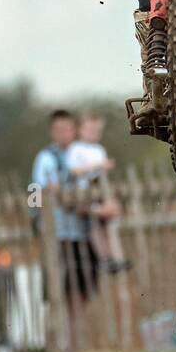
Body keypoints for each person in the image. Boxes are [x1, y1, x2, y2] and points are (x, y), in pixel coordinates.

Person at [31, 111, 96, 352]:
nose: (63, 134)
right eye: (58, 129)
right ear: (52, 131)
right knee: (57, 300)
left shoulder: (84, 155)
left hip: (80, 234)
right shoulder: (46, 159)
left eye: (68, 128)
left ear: (75, 130)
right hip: (57, 236)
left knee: (77, 299)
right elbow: (41, 193)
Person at [66, 113, 129, 274]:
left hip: (99, 190)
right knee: (95, 223)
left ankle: (113, 257)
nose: (94, 133)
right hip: (83, 192)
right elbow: (74, 171)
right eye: (90, 130)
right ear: (80, 130)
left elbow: (102, 176)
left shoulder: (99, 149)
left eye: (97, 130)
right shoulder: (76, 149)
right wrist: (98, 166)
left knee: (106, 225)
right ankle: (104, 258)